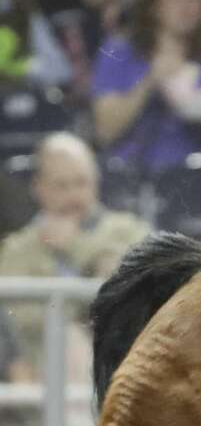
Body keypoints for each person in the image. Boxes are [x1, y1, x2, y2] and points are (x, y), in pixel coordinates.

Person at [0, 132, 149, 372]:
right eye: (61, 185)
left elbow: (127, 301)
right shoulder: (17, 249)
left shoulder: (129, 232)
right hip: (42, 381)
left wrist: (74, 247)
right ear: (38, 188)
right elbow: (20, 321)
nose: (72, 195)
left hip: (121, 371)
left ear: (96, 181)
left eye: (81, 183)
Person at [91, 0, 201, 173]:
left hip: (197, 176)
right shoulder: (118, 51)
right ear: (153, 2)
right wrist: (151, 81)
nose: (188, 4)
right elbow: (104, 130)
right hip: (131, 173)